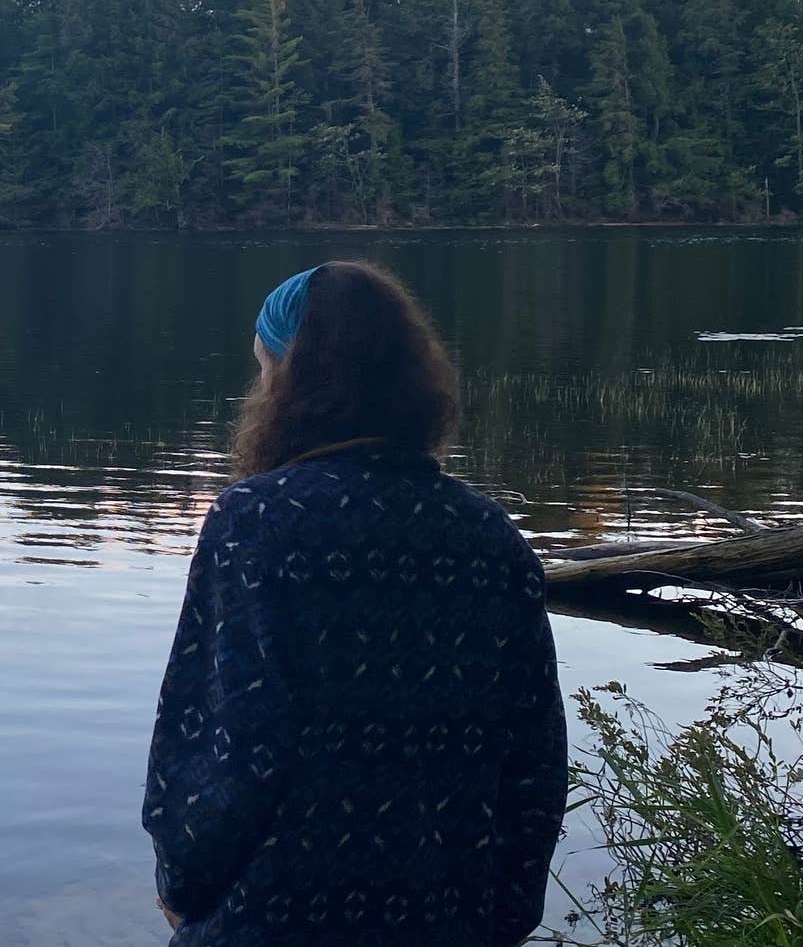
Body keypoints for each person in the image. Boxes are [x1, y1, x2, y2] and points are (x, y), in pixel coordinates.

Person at [143, 260, 567, 947]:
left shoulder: (257, 523)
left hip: (274, 920)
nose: (256, 390)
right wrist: (505, 915)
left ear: (292, 382)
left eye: (263, 371)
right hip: (444, 923)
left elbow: (222, 735)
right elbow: (536, 758)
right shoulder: (489, 535)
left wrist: (184, 881)